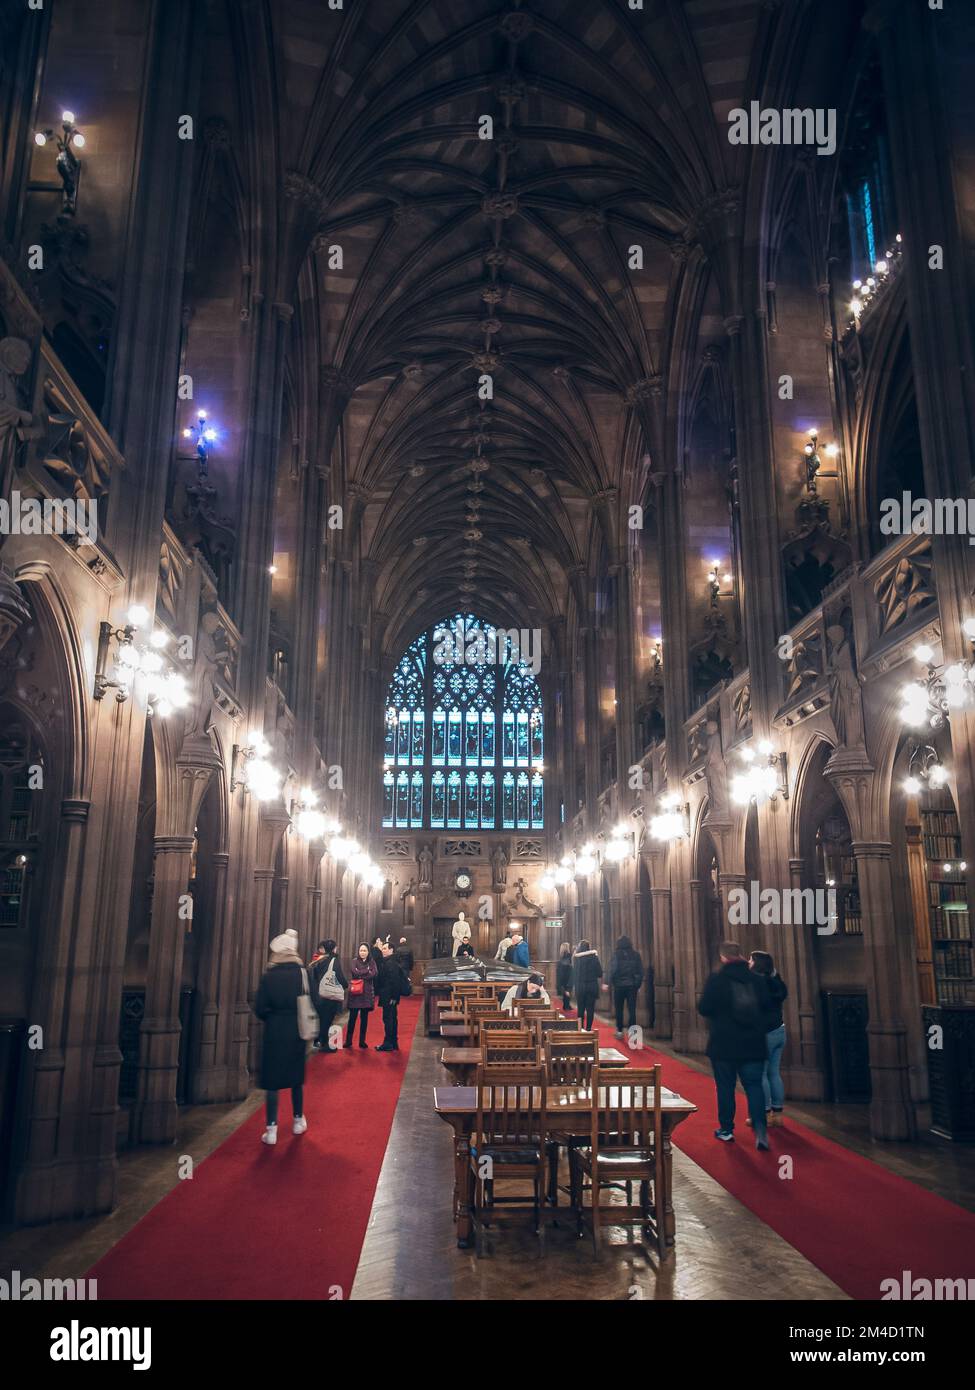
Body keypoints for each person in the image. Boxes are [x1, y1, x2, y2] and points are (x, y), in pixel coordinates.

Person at [697, 941, 772, 1150]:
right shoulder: (756, 980)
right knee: (754, 1087)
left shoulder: (717, 980)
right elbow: (768, 1006)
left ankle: (727, 1130)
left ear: (722, 958)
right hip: (753, 1043)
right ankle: (760, 1131)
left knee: (725, 1087)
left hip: (724, 1044)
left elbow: (704, 1008)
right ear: (740, 955)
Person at [253, 928, 309, 1145]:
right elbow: (309, 997)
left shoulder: (269, 975)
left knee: (273, 1081)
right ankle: (297, 1121)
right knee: (295, 1077)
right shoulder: (301, 972)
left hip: (274, 1030)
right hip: (296, 1029)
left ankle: (272, 1129)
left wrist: (272, 1017)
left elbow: (260, 1007)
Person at [750, 949, 789, 1126]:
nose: (748, 963)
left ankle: (764, 1115)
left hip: (763, 1033)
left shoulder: (756, 984)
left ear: (757, 963)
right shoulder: (777, 981)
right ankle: (778, 1115)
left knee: (761, 1075)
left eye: (751, 960)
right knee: (774, 1073)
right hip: (779, 1030)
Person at [310, 938, 347, 1052]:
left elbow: (315, 976)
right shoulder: (333, 960)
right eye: (336, 947)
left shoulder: (319, 960)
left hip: (319, 993)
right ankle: (325, 1045)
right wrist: (345, 985)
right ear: (333, 949)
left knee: (322, 1019)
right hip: (330, 996)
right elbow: (339, 975)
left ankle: (319, 1041)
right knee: (327, 1019)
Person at [375, 941, 410, 1051]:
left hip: (389, 996)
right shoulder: (390, 961)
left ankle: (388, 1043)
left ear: (391, 950)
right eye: (382, 948)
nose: (383, 950)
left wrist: (393, 997)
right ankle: (394, 1042)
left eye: (385, 948)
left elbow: (395, 982)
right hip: (389, 995)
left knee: (388, 1019)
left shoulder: (390, 963)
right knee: (392, 1019)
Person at [608, 934, 643, 1038]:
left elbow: (612, 970)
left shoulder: (616, 955)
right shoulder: (636, 955)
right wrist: (637, 984)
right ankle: (632, 1033)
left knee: (619, 1009)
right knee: (632, 1009)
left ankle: (619, 1031)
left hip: (619, 986)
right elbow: (640, 971)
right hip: (631, 986)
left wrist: (610, 982)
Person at [345, 944, 378, 1049]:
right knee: (352, 1018)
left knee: (364, 1019)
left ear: (368, 952)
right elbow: (354, 972)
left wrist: (361, 973)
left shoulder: (372, 962)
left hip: (366, 993)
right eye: (361, 950)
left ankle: (362, 1041)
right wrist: (366, 971)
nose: (362, 952)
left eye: (364, 950)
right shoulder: (354, 961)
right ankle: (348, 1041)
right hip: (355, 993)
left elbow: (374, 973)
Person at [572, 940, 603, 1030]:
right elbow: (600, 973)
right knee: (590, 1009)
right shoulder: (594, 958)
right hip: (591, 986)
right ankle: (588, 1029)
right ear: (588, 947)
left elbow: (574, 974)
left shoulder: (577, 959)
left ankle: (581, 1029)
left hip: (580, 987)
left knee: (580, 1009)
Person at [556, 942, 573, 1011]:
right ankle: (567, 1005)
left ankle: (566, 1005)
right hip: (567, 974)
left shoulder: (562, 956)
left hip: (562, 975)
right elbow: (570, 965)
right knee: (568, 990)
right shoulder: (569, 956)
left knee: (565, 991)